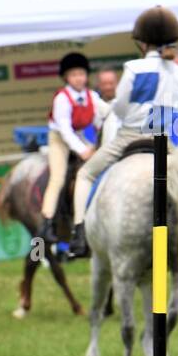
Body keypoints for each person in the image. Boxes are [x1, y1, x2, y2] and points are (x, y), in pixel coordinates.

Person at [67, 8, 178, 259]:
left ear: (142, 43)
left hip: (130, 136)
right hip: (164, 141)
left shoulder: (134, 68)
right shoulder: (177, 71)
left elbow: (120, 109)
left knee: (85, 174)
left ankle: (78, 233)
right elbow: (173, 106)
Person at [39, 52, 109, 245]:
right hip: (59, 139)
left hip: (77, 136)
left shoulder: (92, 96)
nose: (79, 78)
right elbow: (65, 130)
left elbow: (100, 118)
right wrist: (83, 151)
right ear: (66, 78)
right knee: (58, 177)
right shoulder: (62, 98)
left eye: (81, 74)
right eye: (73, 74)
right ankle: (47, 223)